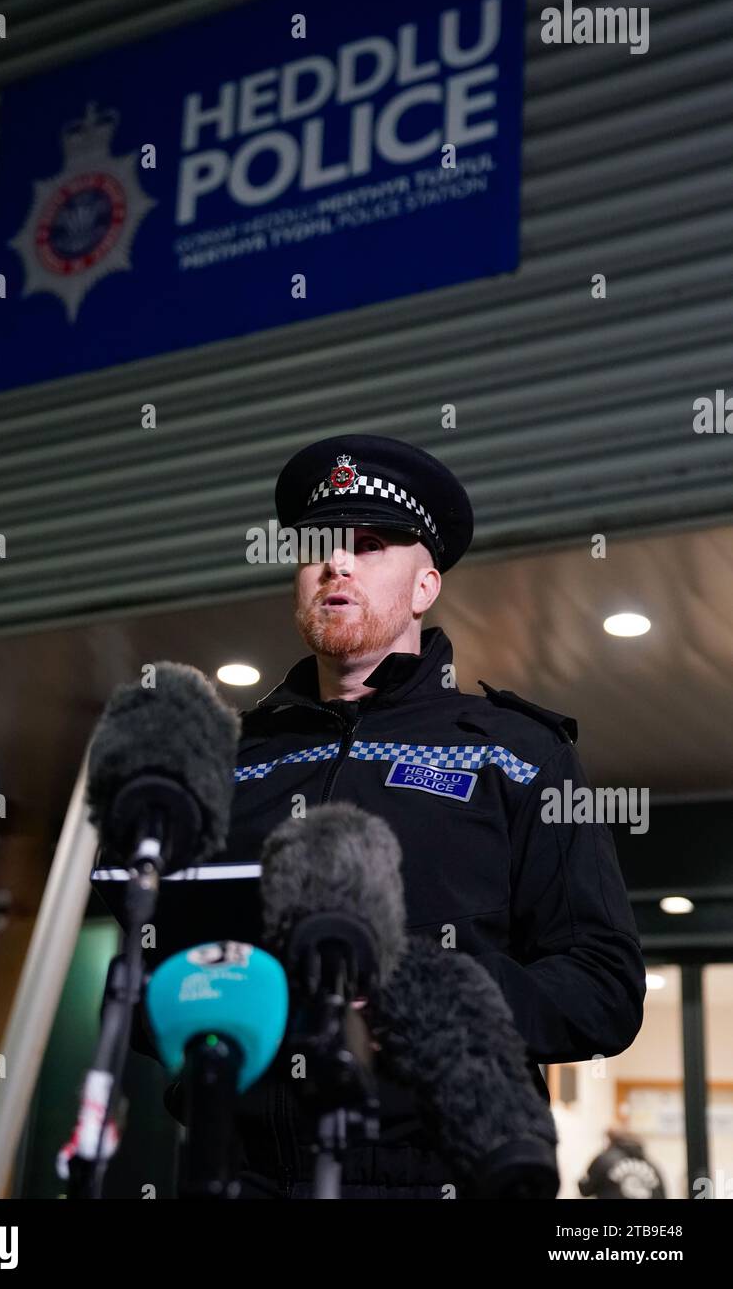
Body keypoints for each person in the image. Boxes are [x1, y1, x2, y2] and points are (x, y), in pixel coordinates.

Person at [164, 433, 646, 1198]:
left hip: (445, 1177)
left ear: (425, 586)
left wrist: (430, 992)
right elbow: (151, 981)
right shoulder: (226, 762)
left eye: (371, 544)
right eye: (319, 546)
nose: (337, 563)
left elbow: (603, 988)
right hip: (239, 1175)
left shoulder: (518, 753)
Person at [579, 1129, 667, 1199]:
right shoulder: (652, 1165)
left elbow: (585, 1189)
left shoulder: (604, 1159)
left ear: (610, 1140)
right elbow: (663, 1194)